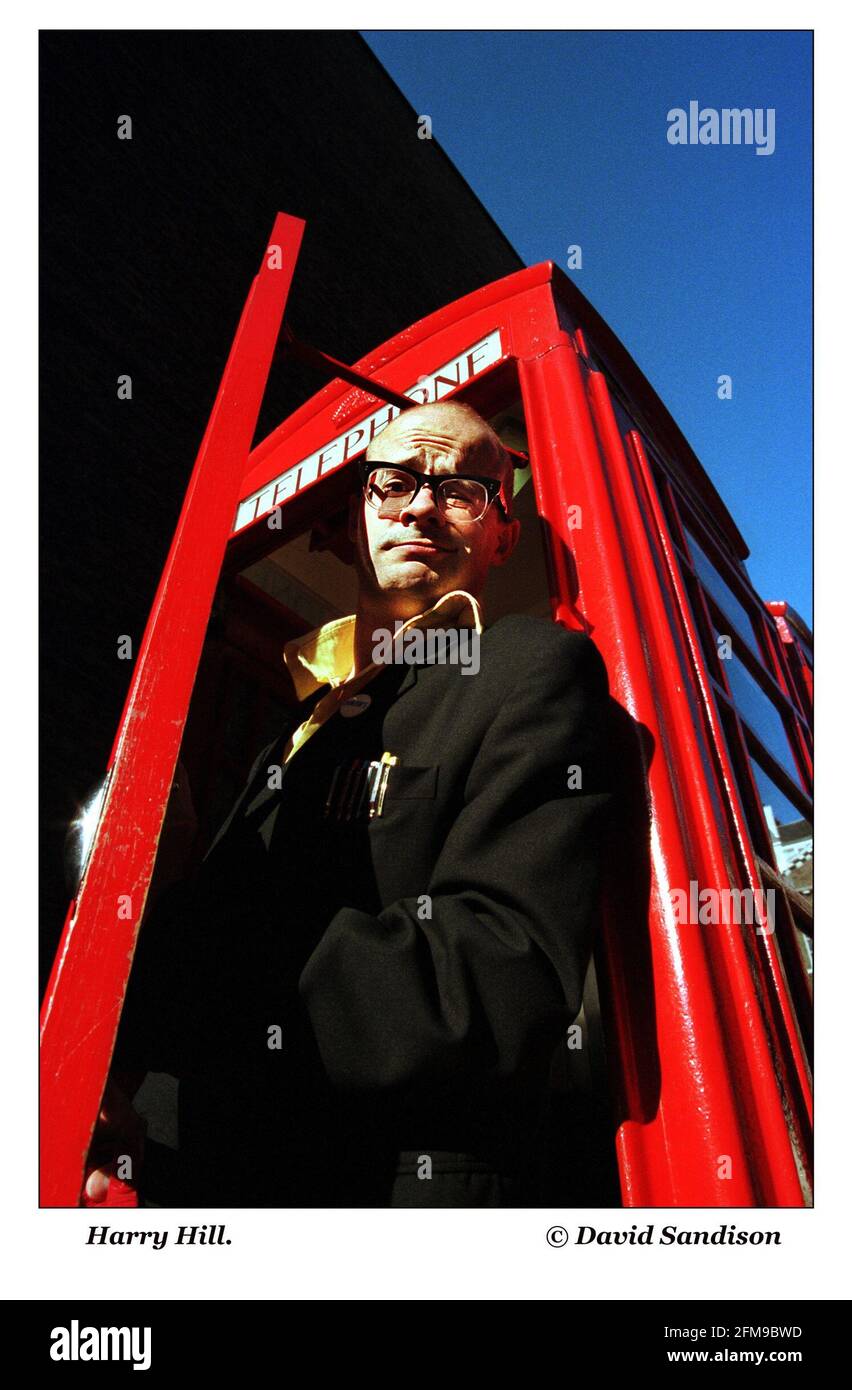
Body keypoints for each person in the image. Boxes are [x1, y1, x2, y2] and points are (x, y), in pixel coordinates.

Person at [93, 398, 616, 1208]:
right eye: (394, 483)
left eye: (461, 490)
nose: (419, 504)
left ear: (503, 533)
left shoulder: (528, 669)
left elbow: (498, 973)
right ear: (357, 512)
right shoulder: (300, 717)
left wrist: (182, 969)